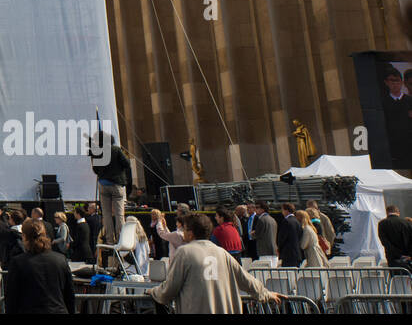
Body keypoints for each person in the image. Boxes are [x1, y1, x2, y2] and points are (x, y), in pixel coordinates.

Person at [147, 213, 282, 314]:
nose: (183, 233)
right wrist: (266, 294)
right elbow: (245, 279)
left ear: (191, 232)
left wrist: (153, 291)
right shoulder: (222, 252)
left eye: (185, 229)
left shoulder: (184, 252)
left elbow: (169, 289)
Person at [4, 219, 75, 314]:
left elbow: (11, 298)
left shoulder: (18, 263)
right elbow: (69, 295)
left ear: (24, 237)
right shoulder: (61, 260)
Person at [91, 133, 131, 244]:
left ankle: (109, 240)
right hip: (116, 184)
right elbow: (127, 164)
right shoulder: (116, 150)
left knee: (106, 214)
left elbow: (95, 170)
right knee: (119, 214)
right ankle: (120, 239)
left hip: (103, 184)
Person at [379, 63, 412, 168]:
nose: (394, 84)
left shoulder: (409, 100)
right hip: (393, 147)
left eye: (397, 80)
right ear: (386, 82)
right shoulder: (383, 103)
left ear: (402, 82)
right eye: (391, 81)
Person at [377, 205, 412, 271]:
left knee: (396, 279)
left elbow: (385, 242)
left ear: (387, 212)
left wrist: (398, 255)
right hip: (408, 257)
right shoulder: (407, 223)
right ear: (398, 212)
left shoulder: (382, 224)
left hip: (392, 257)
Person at [277, 203, 304, 267]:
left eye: (282, 210)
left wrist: (279, 248)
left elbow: (282, 238)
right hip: (297, 253)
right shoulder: (297, 222)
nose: (282, 212)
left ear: (286, 210)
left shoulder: (286, 221)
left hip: (288, 254)